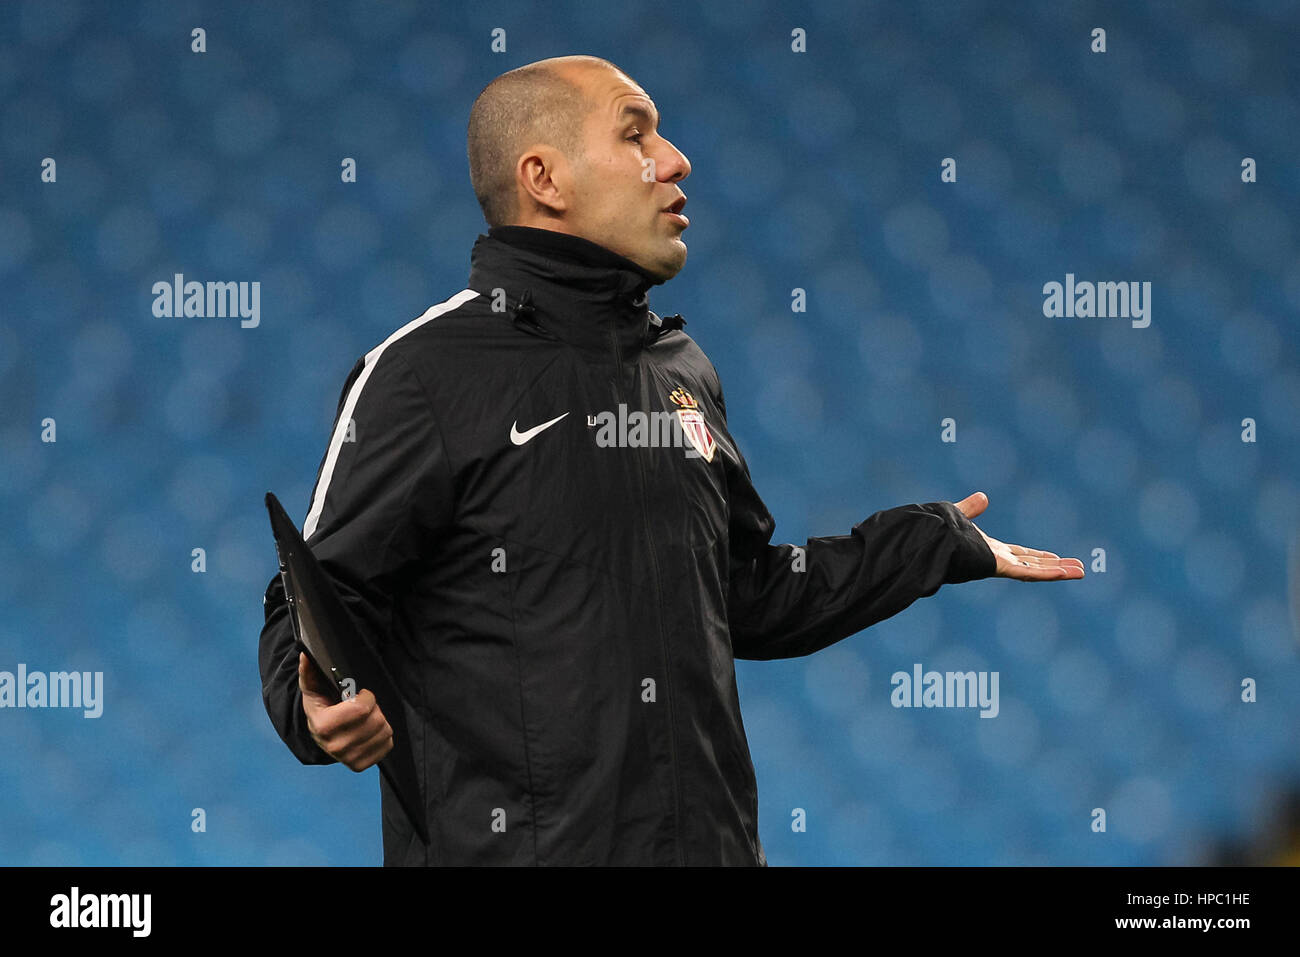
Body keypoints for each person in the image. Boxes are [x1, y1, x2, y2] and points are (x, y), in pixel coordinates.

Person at [258, 54, 1085, 866]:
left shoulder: (680, 367)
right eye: (636, 134)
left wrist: (930, 541)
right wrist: (316, 701)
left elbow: (747, 595)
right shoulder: (423, 373)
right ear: (544, 178)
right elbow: (316, 597)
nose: (676, 159)